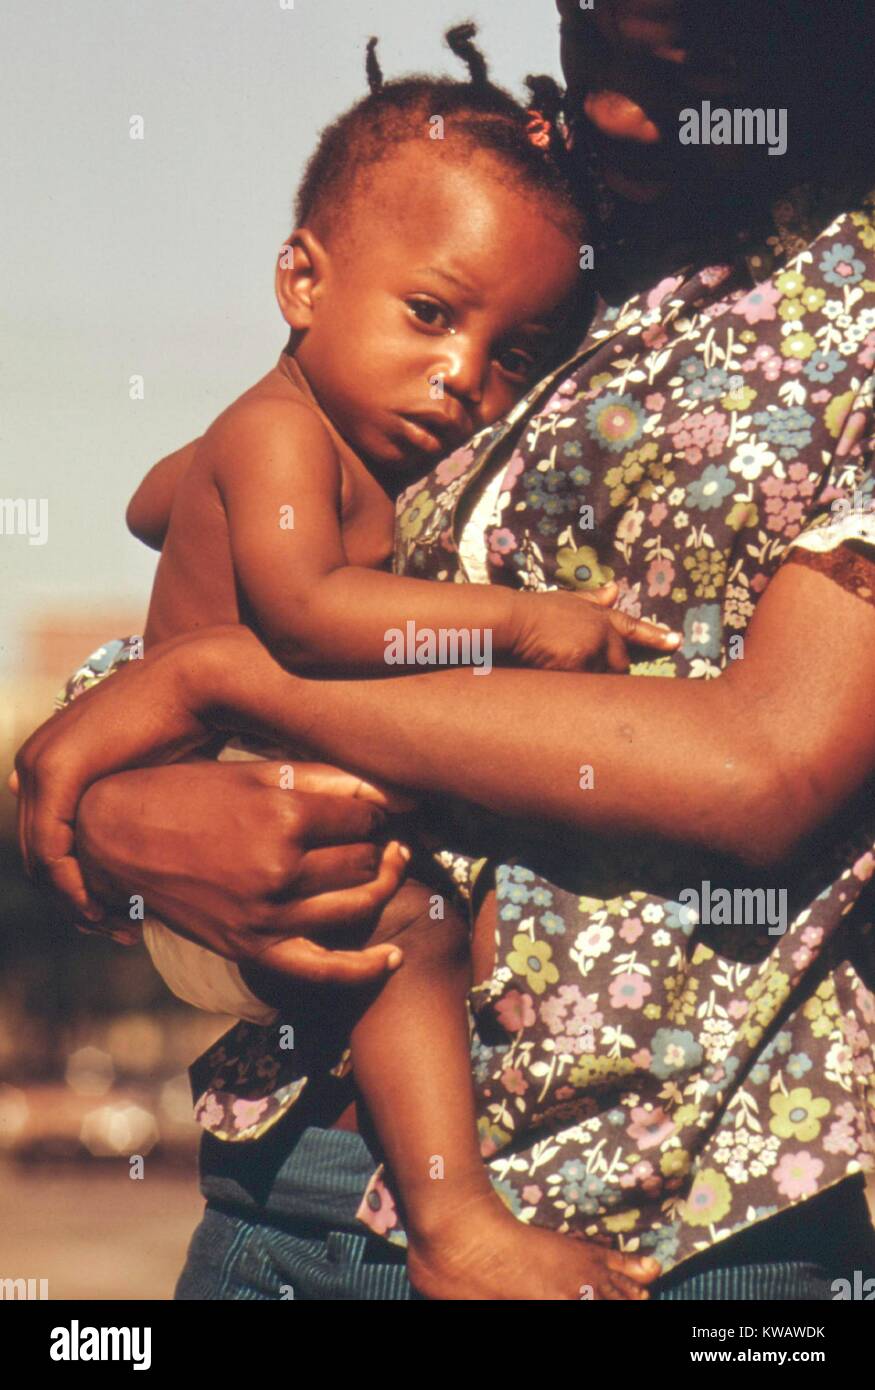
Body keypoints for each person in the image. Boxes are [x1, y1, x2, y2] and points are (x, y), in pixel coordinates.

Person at [14, 0, 875, 1301]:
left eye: (698, 71)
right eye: (604, 42)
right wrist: (123, 802)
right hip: (285, 1178)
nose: (624, 116)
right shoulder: (484, 207)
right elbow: (223, 532)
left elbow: (760, 767)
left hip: (661, 1223)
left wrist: (218, 685)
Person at [120, 27, 678, 1300]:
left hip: (233, 807)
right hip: (231, 817)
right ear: (300, 283)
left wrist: (201, 497)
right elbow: (311, 616)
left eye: (506, 357)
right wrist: (523, 623)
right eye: (429, 316)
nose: (458, 378)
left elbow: (153, 503)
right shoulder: (281, 441)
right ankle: (452, 1222)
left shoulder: (272, 432)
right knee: (414, 929)